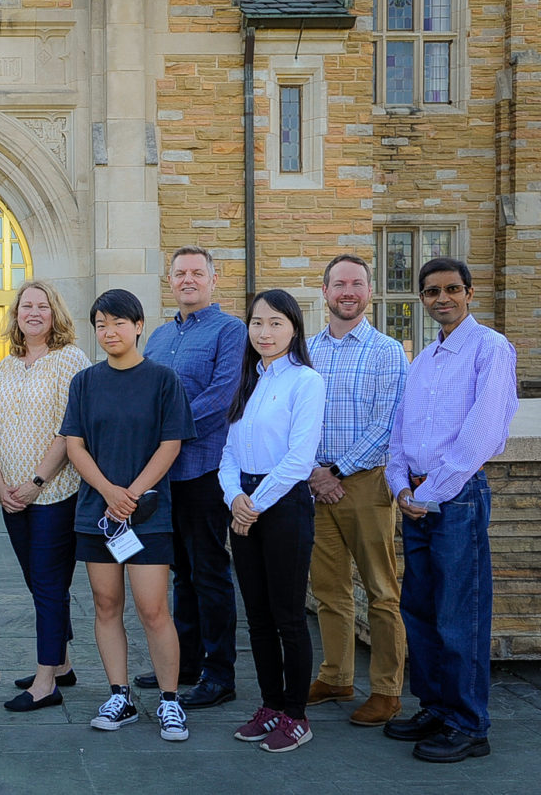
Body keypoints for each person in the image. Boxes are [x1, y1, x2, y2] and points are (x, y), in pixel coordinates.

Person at [383, 257, 518, 763]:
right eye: (432, 291)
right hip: (417, 498)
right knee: (419, 609)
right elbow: (401, 431)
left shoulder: (490, 348)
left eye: (452, 289)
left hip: (456, 497)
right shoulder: (422, 360)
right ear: (421, 298)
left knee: (459, 613)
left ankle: (468, 724)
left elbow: (482, 433)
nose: (442, 298)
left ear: (469, 292)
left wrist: (431, 491)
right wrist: (401, 486)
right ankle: (436, 708)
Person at [60, 288, 195, 742]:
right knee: (105, 605)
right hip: (98, 514)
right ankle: (119, 694)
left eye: (118, 322)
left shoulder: (162, 380)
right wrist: (108, 492)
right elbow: (74, 445)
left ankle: (170, 700)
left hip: (147, 514)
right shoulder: (85, 382)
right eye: (101, 324)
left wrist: (132, 494)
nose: (109, 331)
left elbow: (171, 444)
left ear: (138, 326)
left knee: (154, 609)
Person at [135, 246, 245, 710]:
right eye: (180, 273)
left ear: (213, 280)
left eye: (197, 273)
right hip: (163, 473)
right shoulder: (158, 338)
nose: (188, 280)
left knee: (210, 572)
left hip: (203, 468)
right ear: (170, 279)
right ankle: (184, 663)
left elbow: (224, 394)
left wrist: (170, 431)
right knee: (180, 571)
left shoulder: (231, 330)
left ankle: (220, 674)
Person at [305, 254, 409, 727]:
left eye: (357, 284)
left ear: (369, 292)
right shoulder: (305, 350)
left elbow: (387, 425)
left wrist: (335, 471)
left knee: (381, 591)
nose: (348, 291)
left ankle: (387, 691)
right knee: (328, 590)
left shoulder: (387, 351)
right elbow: (295, 420)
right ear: (324, 292)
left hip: (365, 484)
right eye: (339, 283)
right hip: (313, 487)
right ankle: (336, 675)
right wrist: (313, 472)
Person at [220, 289, 325, 753]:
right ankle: (270, 705)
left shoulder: (306, 381)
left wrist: (254, 503)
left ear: (294, 328)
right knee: (257, 618)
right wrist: (235, 498)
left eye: (276, 323)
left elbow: (299, 460)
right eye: (257, 322)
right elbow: (227, 452)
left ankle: (296, 715)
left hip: (283, 506)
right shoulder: (247, 380)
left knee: (287, 617)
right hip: (244, 503)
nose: (265, 332)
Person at [0, 280, 90, 712]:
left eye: (41, 306)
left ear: (55, 313)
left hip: (54, 495)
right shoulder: (6, 365)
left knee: (48, 585)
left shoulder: (71, 361)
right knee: (37, 583)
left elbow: (70, 431)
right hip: (11, 497)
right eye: (25, 305)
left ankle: (46, 682)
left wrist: (37, 483)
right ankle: (61, 662)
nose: (33, 312)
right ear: (16, 315)